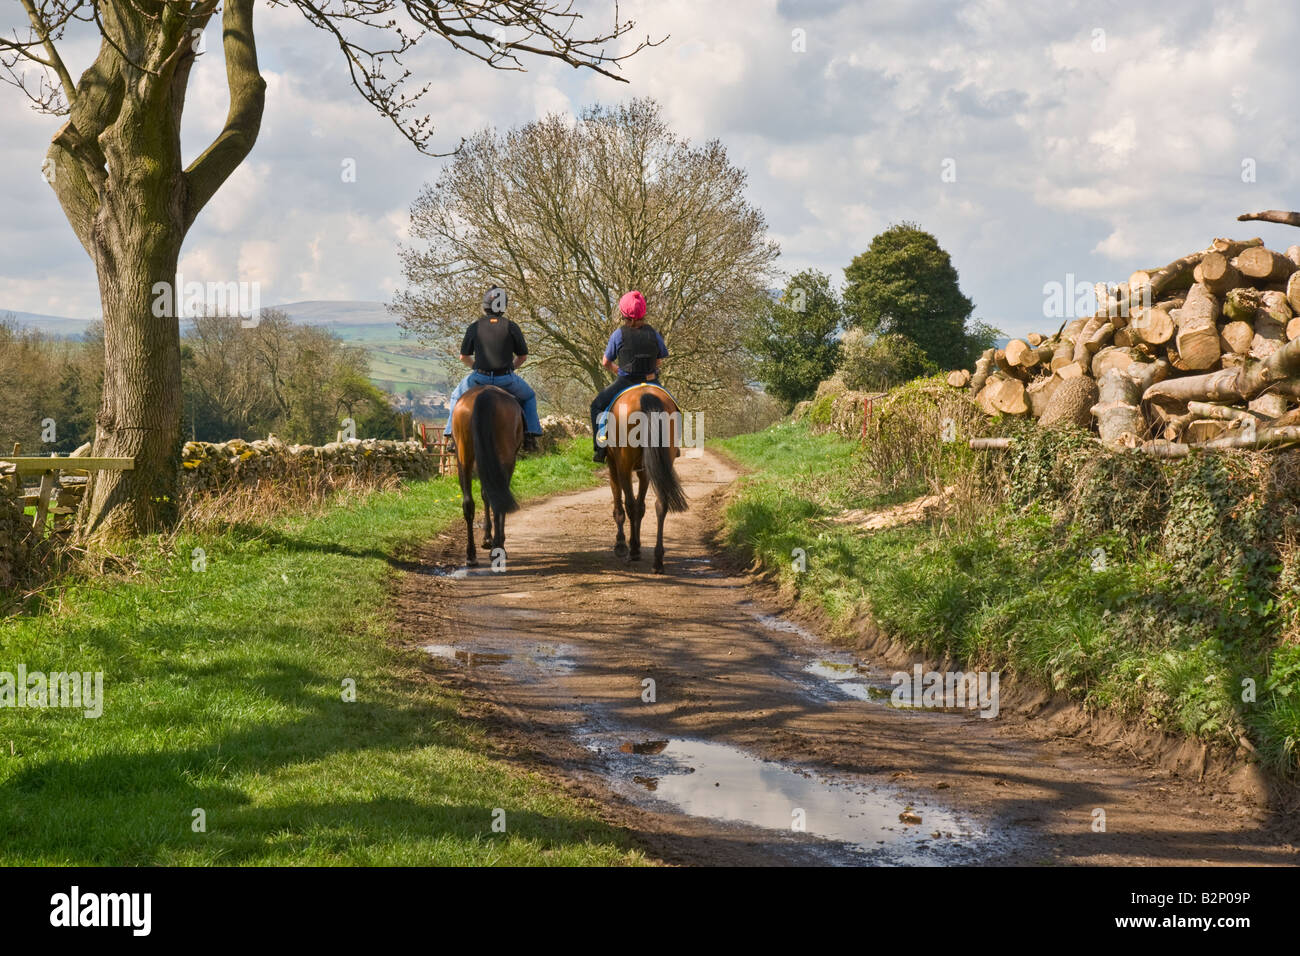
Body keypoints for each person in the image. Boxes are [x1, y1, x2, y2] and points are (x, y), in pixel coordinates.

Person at [443, 286, 542, 453]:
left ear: (485, 306)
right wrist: (511, 368)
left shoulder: (475, 327)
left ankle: (451, 436)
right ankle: (530, 436)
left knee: (455, 396)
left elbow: (463, 356)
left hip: (479, 378)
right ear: (503, 307)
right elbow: (522, 356)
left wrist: (476, 367)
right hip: (506, 379)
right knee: (529, 396)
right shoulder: (511, 327)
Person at [590, 290, 669, 463]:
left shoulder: (618, 334)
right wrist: (651, 372)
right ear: (643, 313)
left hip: (625, 382)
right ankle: (672, 447)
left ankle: (600, 448)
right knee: (673, 408)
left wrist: (619, 370)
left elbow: (605, 362)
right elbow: (660, 359)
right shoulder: (654, 334)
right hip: (651, 382)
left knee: (596, 406)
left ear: (624, 313)